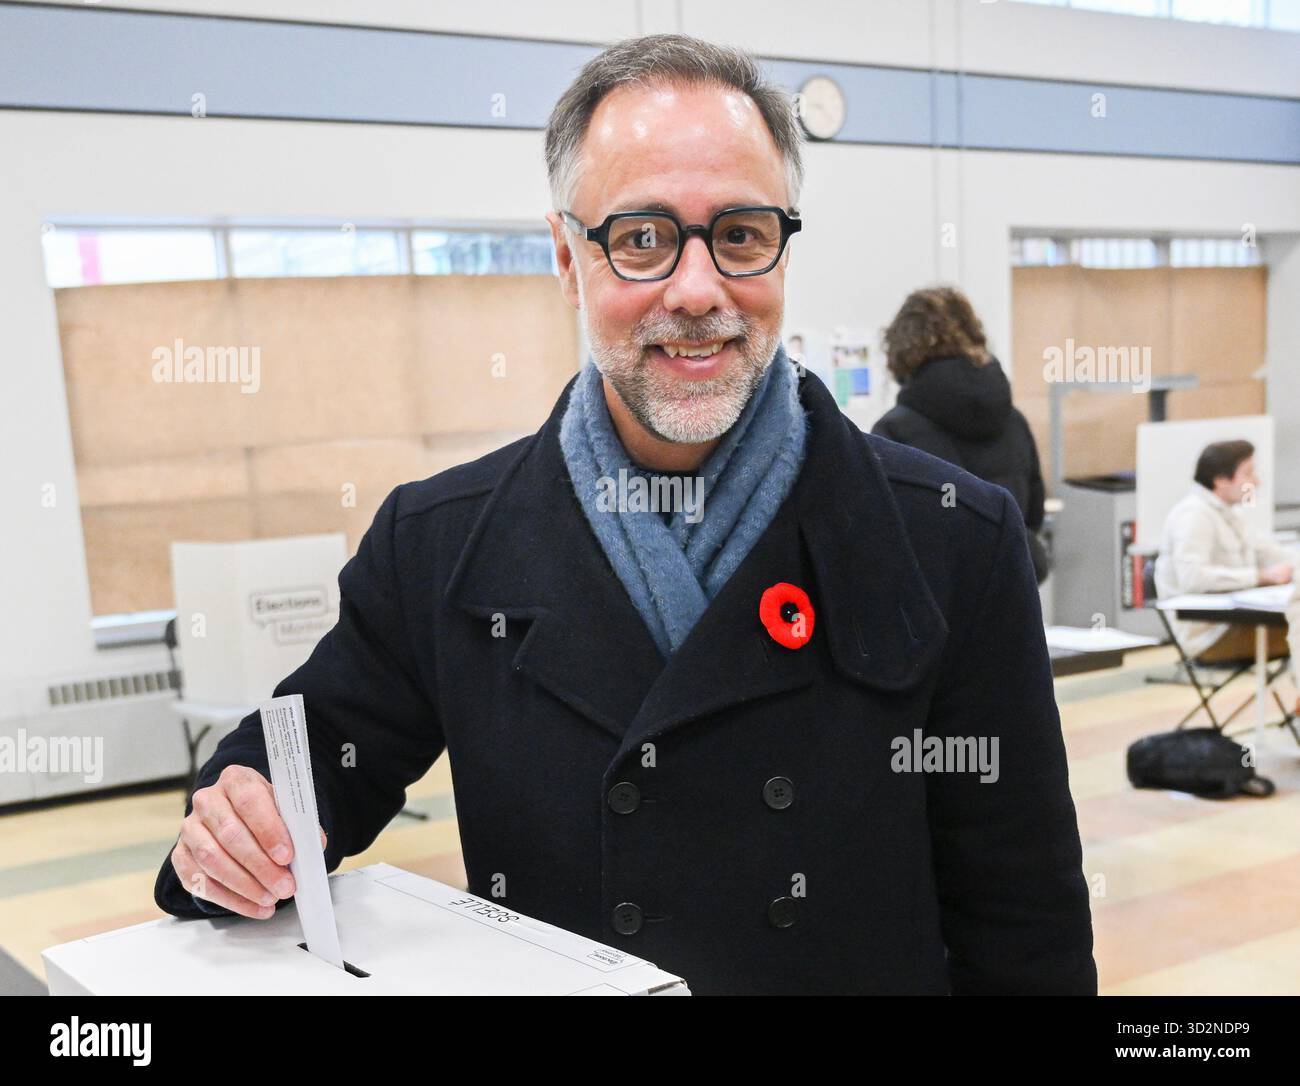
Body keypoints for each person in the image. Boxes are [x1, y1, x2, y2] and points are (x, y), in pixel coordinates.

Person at [153, 34, 1096, 996]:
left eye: (740, 233)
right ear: (568, 258)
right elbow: (311, 763)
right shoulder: (440, 545)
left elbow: (1026, 927)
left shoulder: (949, 538)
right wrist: (241, 823)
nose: (697, 290)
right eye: (641, 237)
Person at [872, 287, 1050, 584]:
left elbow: (882, 538)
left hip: (932, 609)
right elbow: (1032, 516)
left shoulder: (892, 432)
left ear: (902, 348)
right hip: (1010, 598)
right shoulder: (1015, 421)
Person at [1154, 440, 1295, 666]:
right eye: (1248, 474)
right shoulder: (1193, 515)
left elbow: (1278, 556)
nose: (1256, 482)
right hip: (1211, 636)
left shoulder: (1232, 516)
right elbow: (1193, 577)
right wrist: (1262, 577)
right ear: (1220, 480)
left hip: (1242, 623)